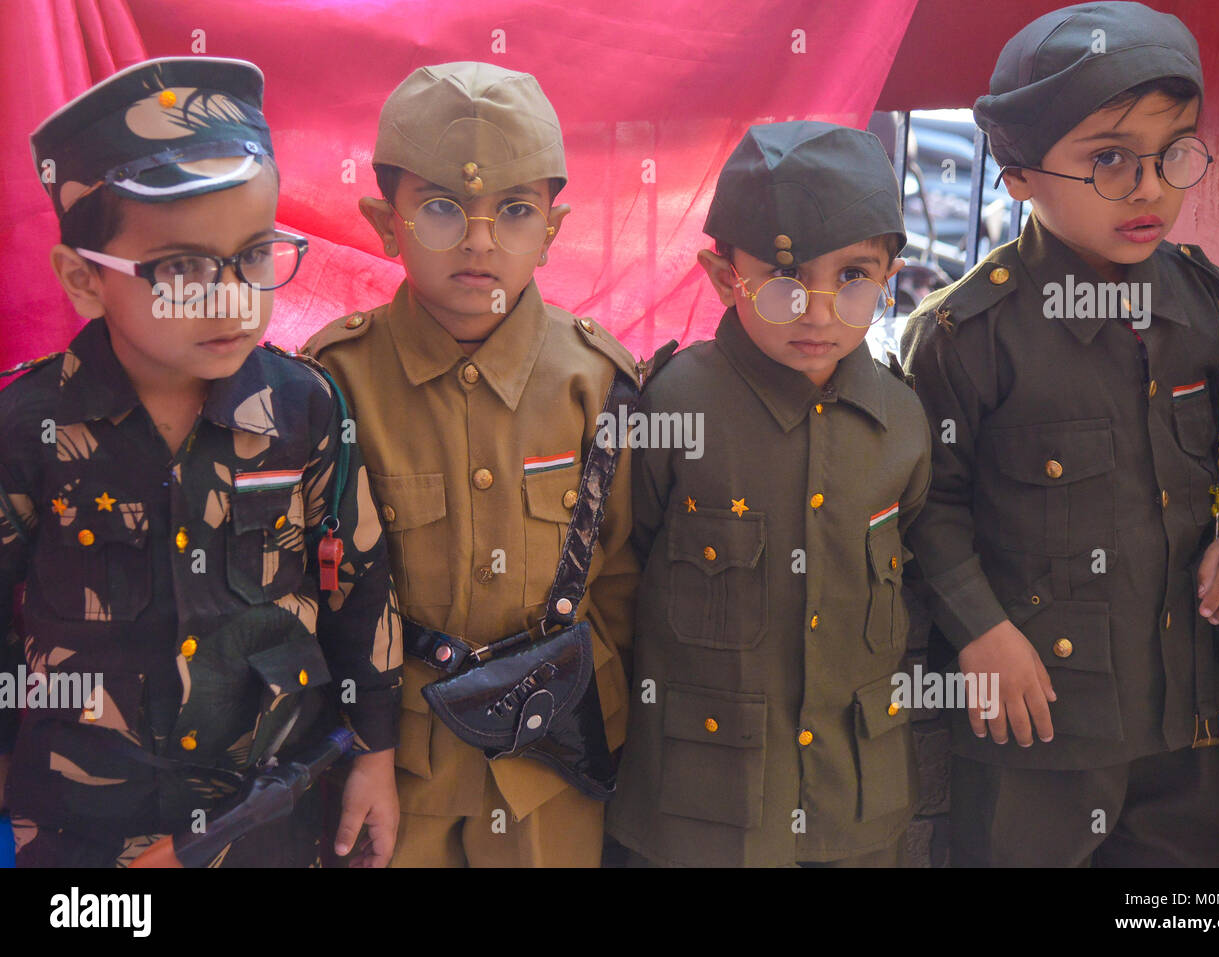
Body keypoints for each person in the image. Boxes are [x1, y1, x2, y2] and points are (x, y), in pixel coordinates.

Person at [900, 1, 1219, 866]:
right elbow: (929, 502)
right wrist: (979, 628)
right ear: (1019, 174)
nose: (1151, 186)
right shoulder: (966, 336)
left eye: (1173, 152)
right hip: (1040, 735)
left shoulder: (1212, 310)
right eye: (1110, 159)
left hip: (1189, 723)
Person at [0, 56, 403, 867]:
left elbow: (359, 586)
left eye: (255, 255)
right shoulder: (27, 423)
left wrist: (375, 755)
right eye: (180, 270)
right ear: (84, 281)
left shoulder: (305, 408)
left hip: (270, 818)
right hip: (82, 830)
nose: (230, 298)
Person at [302, 61, 639, 867]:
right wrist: (349, 743)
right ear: (386, 223)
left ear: (553, 231)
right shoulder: (334, 381)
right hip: (392, 771)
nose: (480, 241)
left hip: (549, 772)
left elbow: (622, 578)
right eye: (442, 210)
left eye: (515, 211)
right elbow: (313, 592)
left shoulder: (596, 381)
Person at [606, 121, 931, 866]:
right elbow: (625, 567)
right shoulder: (673, 407)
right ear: (726, 277)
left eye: (854, 276)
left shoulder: (903, 421)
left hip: (851, 802)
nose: (818, 312)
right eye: (786, 280)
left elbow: (915, 545)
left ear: (890, 276)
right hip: (700, 807)